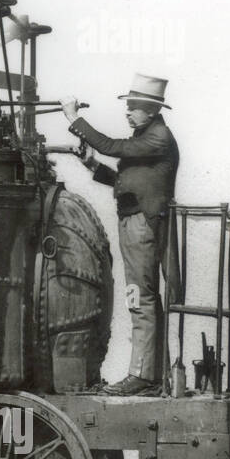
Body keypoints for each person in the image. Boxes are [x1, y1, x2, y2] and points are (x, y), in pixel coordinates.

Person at [61, 74, 179, 396]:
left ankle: (143, 376)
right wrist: (91, 165)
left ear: (152, 111)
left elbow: (112, 147)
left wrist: (74, 118)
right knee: (142, 298)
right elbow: (123, 183)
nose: (127, 112)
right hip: (134, 223)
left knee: (140, 299)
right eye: (127, 106)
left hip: (142, 226)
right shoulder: (147, 138)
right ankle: (154, 375)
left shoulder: (158, 138)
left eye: (134, 107)